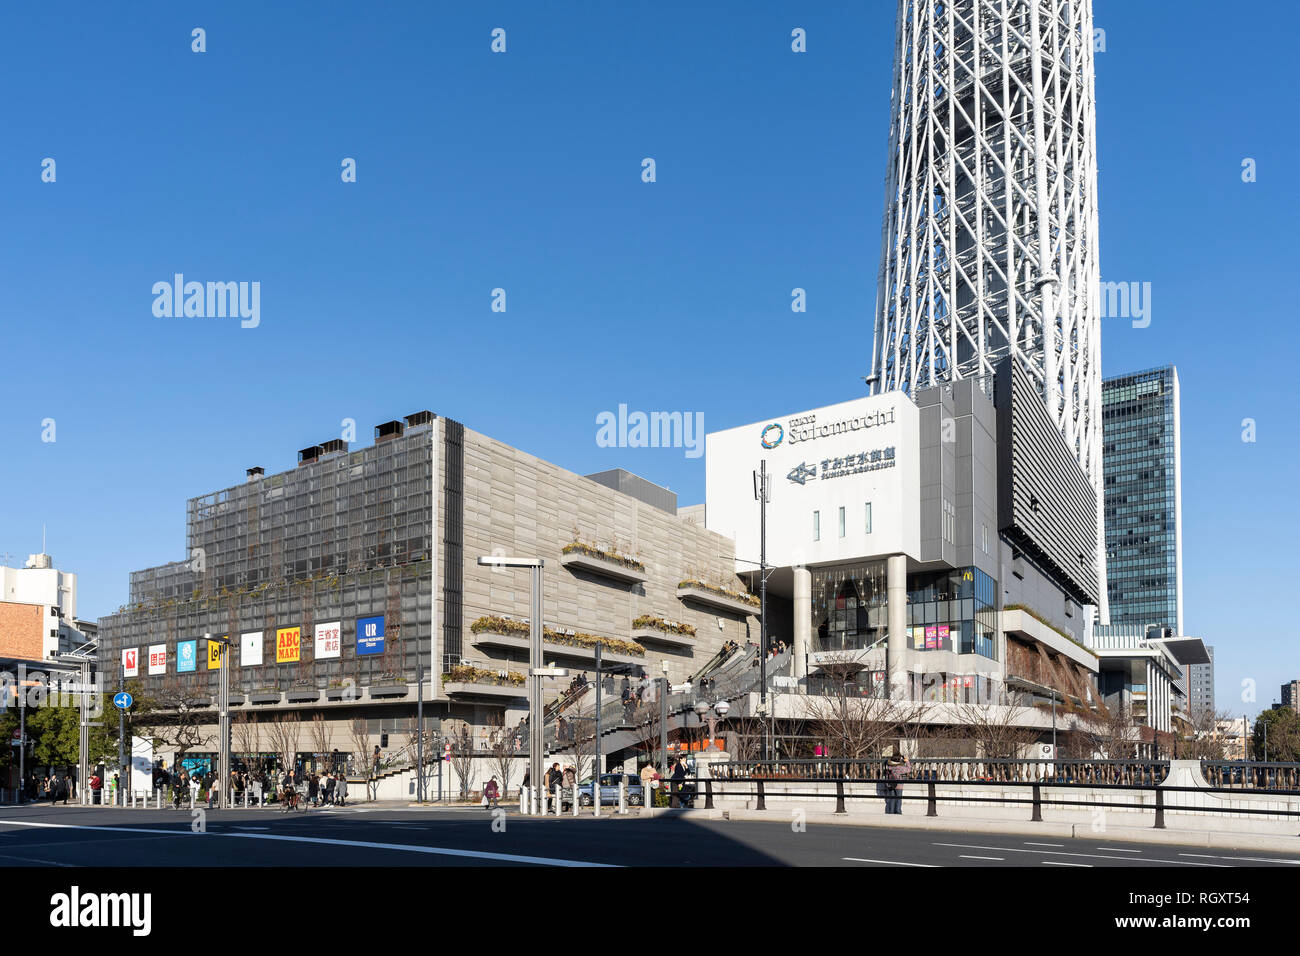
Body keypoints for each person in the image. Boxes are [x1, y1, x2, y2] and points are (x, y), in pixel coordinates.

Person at [884, 748, 911, 815]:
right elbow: (909, 769)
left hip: (890, 784)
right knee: (899, 799)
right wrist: (906, 760)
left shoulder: (889, 767)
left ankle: (891, 812)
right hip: (899, 785)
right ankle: (898, 812)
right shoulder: (900, 768)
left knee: (892, 799)